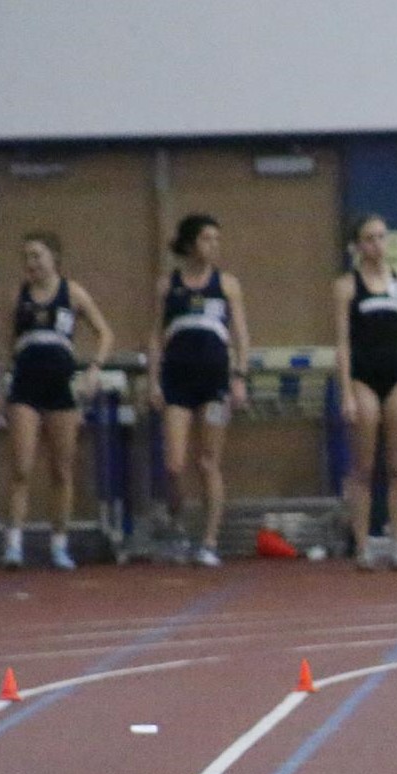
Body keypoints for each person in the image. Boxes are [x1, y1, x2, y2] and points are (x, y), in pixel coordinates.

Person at [0, 233, 114, 570]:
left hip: (61, 387)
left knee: (61, 469)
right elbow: (6, 345)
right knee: (21, 466)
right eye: (26, 257)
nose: (31, 263)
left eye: (37, 256)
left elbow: (105, 333)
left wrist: (94, 369)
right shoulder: (18, 296)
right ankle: (13, 544)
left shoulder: (72, 293)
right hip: (25, 388)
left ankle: (59, 543)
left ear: (54, 258)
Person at [149, 214, 250, 567]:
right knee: (174, 464)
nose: (214, 246)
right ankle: (176, 526)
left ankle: (209, 540)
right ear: (191, 243)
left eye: (217, 239)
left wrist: (239, 376)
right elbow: (155, 337)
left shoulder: (227, 285)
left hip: (215, 382)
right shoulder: (169, 285)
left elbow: (240, 335)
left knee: (208, 462)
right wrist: (153, 380)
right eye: (207, 238)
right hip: (177, 381)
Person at [335, 214, 397, 571]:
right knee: (363, 466)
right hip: (363, 378)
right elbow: (342, 343)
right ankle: (362, 545)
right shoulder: (346, 286)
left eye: (381, 237)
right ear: (357, 245)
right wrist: (346, 392)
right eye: (369, 238)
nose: (377, 244)